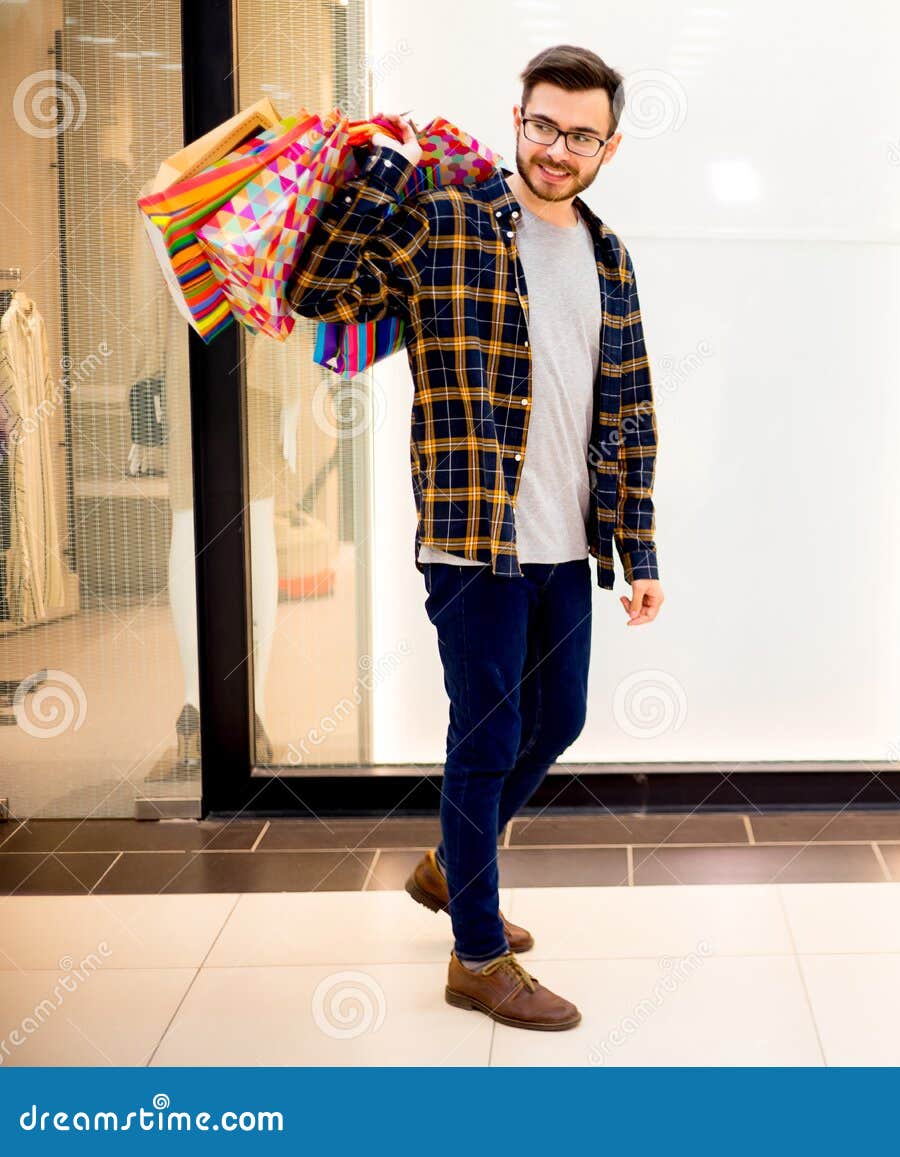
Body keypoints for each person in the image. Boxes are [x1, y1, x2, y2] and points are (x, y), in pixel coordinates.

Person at [288, 45, 664, 1031]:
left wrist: (639, 549)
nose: (556, 147)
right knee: (487, 733)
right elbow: (321, 296)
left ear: (608, 147)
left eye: (580, 134)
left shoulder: (608, 253)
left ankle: (456, 864)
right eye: (543, 124)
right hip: (469, 537)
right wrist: (374, 188)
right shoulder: (446, 214)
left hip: (565, 545)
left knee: (561, 718)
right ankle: (477, 954)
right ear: (518, 118)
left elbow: (626, 408)